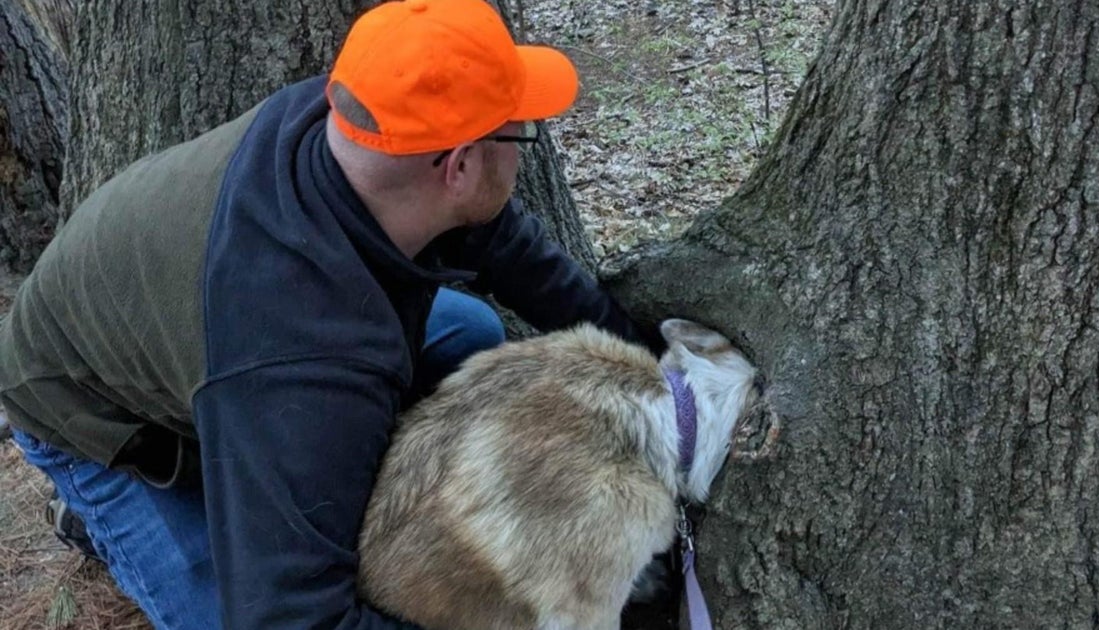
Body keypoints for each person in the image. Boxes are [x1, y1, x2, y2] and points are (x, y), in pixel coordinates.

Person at [0, 0, 661, 627]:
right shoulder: (301, 364)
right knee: (230, 612)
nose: (525, 149)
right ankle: (104, 514)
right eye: (520, 133)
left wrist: (655, 369)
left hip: (202, 345)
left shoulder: (364, 129)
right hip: (91, 414)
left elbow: (506, 243)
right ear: (459, 165)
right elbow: (293, 619)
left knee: (474, 333)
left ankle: (242, 486)